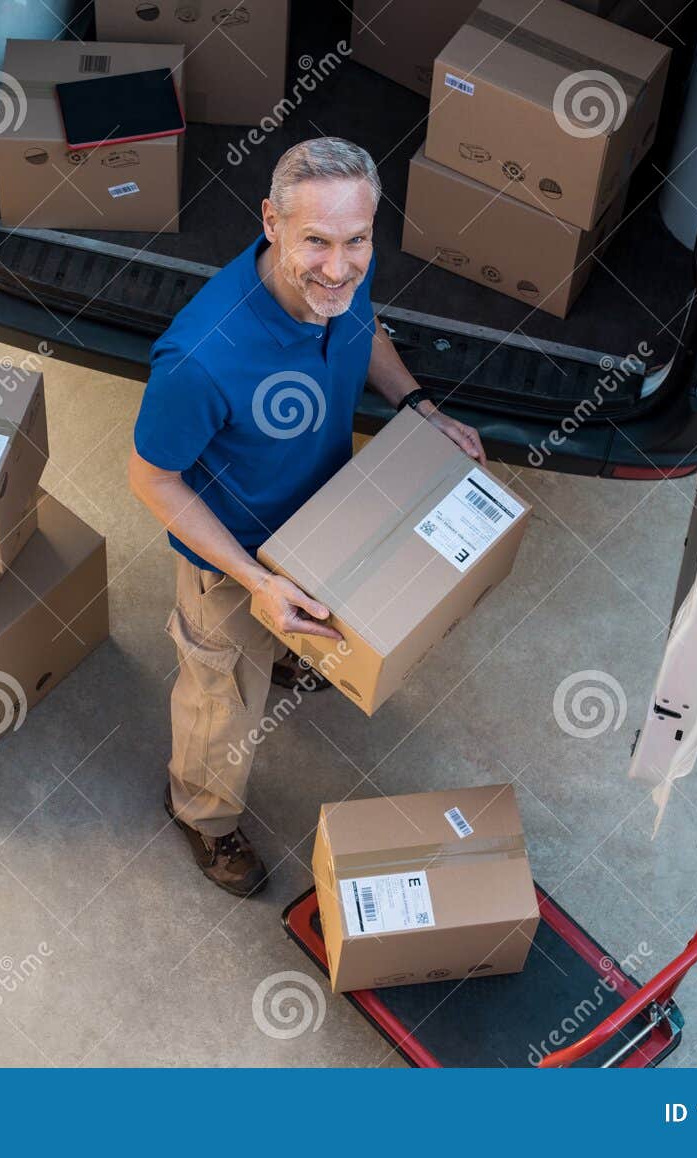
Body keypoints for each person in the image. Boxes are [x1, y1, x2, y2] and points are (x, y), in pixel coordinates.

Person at [128, 137, 486, 896]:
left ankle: (289, 648)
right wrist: (254, 580)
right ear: (271, 223)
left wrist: (419, 407)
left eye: (356, 241)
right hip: (231, 555)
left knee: (300, 630)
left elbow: (361, 325)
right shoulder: (202, 359)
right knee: (221, 702)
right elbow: (151, 477)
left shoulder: (345, 273)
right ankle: (201, 813)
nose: (339, 266)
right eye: (316, 242)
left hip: (319, 520)